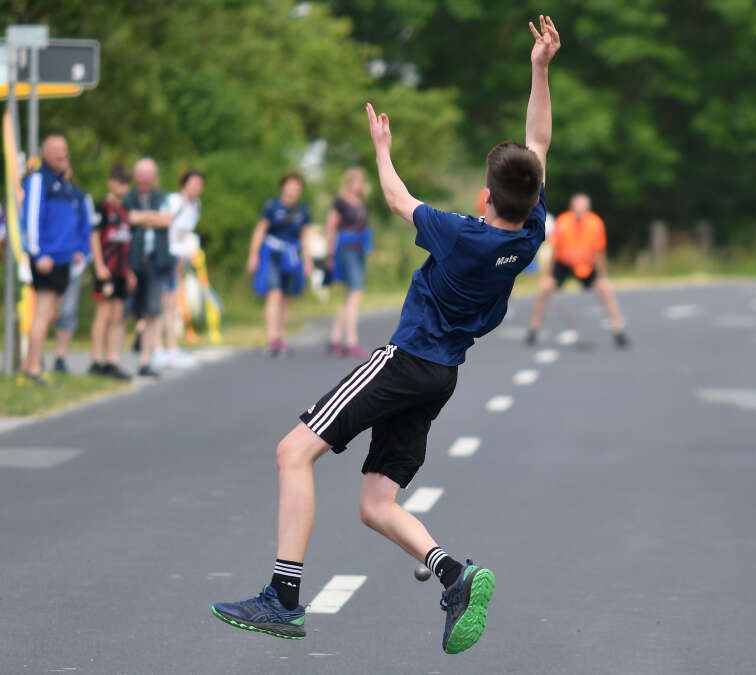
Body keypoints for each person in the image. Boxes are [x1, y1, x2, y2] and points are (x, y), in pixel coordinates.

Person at [212, 15, 561, 655]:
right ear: (529, 196)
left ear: (486, 196)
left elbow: (400, 200)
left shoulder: (462, 235)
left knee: (294, 453)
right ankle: (456, 576)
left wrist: (381, 149)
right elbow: (537, 141)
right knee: (376, 503)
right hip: (442, 376)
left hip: (405, 360)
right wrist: (539, 69)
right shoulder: (530, 232)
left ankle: (282, 598)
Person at [20, 135, 92, 384]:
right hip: (46, 259)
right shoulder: (39, 180)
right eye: (56, 150)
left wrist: (76, 250)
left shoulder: (67, 187)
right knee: (43, 311)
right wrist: (37, 253)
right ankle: (33, 369)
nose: (62, 155)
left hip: (63, 259)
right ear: (45, 153)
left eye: (64, 150)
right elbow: (30, 218)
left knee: (54, 312)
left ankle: (30, 362)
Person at [525, 192, 629, 347]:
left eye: (583, 207)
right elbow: (554, 248)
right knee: (544, 288)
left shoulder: (596, 223)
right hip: (564, 263)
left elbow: (599, 251)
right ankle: (534, 328)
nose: (580, 210)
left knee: (605, 289)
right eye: (577, 206)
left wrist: (601, 274)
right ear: (572, 207)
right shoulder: (563, 221)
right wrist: (547, 273)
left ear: (588, 208)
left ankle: (618, 330)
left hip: (587, 264)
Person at [246, 172, 314, 357]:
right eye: (290, 185)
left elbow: (305, 236)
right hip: (272, 254)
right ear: (283, 187)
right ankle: (272, 338)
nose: (293, 190)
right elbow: (260, 231)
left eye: (297, 187)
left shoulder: (303, 211)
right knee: (273, 293)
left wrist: (308, 261)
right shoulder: (272, 206)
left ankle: (281, 338)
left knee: (285, 297)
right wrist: (253, 255)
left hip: (291, 256)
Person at [124, 158, 173, 378]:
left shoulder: (162, 197)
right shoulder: (128, 197)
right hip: (131, 262)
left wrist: (142, 219)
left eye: (148, 176)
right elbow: (128, 218)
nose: (144, 180)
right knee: (123, 310)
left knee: (152, 311)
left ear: (154, 178)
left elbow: (166, 221)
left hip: (156, 261)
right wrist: (151, 217)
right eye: (141, 176)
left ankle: (146, 360)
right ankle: (110, 359)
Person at [88, 165, 137, 379]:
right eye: (120, 182)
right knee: (104, 314)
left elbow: (127, 242)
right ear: (111, 182)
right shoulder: (102, 207)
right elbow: (94, 236)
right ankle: (96, 361)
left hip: (121, 270)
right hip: (106, 267)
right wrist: (99, 265)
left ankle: (112, 360)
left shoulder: (125, 210)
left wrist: (130, 271)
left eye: (126, 183)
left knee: (118, 315)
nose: (123, 187)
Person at [155, 170, 206, 369]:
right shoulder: (174, 201)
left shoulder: (196, 205)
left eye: (199, 184)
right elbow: (162, 224)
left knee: (172, 302)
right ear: (184, 184)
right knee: (160, 302)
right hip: (165, 255)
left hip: (179, 258)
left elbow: (186, 234)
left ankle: (172, 347)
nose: (196, 188)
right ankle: (157, 347)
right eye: (193, 183)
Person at [325, 167, 373, 358]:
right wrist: (330, 253)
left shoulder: (360, 203)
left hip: (359, 248)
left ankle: (336, 337)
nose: (359, 184)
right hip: (346, 249)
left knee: (349, 295)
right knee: (355, 293)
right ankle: (351, 340)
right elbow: (331, 225)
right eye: (356, 181)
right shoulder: (341, 202)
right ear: (349, 182)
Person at [52, 166, 95, 373]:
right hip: (51, 261)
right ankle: (34, 355)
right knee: (48, 310)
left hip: (72, 262)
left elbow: (88, 228)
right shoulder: (46, 191)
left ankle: (61, 356)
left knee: (68, 310)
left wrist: (83, 252)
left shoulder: (79, 196)